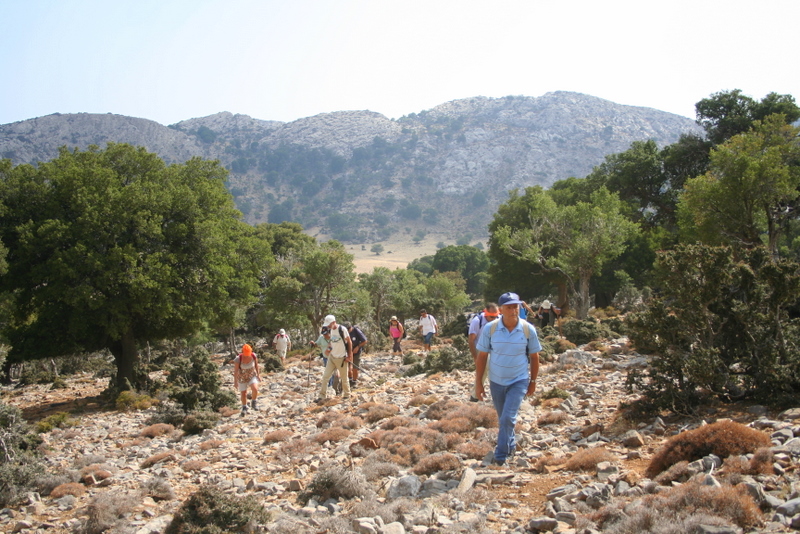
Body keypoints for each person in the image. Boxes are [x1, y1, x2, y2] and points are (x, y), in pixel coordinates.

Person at [475, 292, 541, 466]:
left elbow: (534, 357)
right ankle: (510, 444)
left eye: (515, 307)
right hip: (496, 381)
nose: (513, 310)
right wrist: (479, 383)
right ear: (501, 309)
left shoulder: (528, 329)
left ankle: (501, 455)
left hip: (519, 380)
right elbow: (482, 356)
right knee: (503, 418)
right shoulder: (490, 329)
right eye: (509, 307)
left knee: (507, 418)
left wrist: (533, 382)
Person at [468, 304, 500, 402]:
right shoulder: (477, 321)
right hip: (480, 349)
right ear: (485, 313)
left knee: (491, 371)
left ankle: (475, 396)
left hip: (494, 349)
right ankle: (477, 395)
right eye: (491, 317)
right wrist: (475, 357)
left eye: (496, 316)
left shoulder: (500, 319)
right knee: (485, 371)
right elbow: (471, 340)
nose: (494, 319)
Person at [318, 314, 353, 401]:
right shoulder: (330, 330)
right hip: (332, 357)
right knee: (325, 377)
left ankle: (347, 395)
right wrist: (328, 349)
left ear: (334, 322)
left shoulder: (342, 329)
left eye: (329, 324)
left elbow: (349, 342)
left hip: (341, 358)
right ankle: (322, 396)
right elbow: (331, 342)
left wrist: (349, 356)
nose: (328, 326)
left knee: (344, 378)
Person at [233, 344, 261, 416]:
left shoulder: (253, 356)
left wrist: (258, 375)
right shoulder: (238, 359)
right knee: (243, 393)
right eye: (246, 354)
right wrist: (235, 382)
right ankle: (244, 407)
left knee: (255, 389)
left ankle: (254, 402)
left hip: (251, 375)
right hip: (242, 377)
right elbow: (236, 371)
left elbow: (256, 365)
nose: (247, 356)